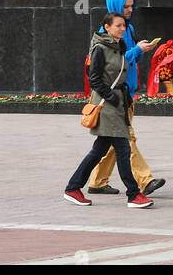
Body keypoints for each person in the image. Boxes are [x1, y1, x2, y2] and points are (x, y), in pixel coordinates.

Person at [64, 12, 154, 209]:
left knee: (99, 150)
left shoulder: (119, 45)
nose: (123, 29)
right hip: (106, 105)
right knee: (123, 148)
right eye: (118, 26)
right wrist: (112, 97)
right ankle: (133, 194)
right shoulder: (99, 48)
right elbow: (94, 78)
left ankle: (73, 187)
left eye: (124, 25)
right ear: (107, 27)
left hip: (118, 103)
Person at [87, 0, 165, 197]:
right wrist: (137, 50)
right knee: (127, 139)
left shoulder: (127, 29)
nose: (130, 10)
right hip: (114, 96)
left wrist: (141, 50)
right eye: (125, 6)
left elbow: (132, 60)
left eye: (131, 6)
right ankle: (145, 180)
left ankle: (97, 182)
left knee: (112, 143)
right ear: (114, 7)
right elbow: (118, 61)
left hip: (127, 92)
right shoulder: (106, 35)